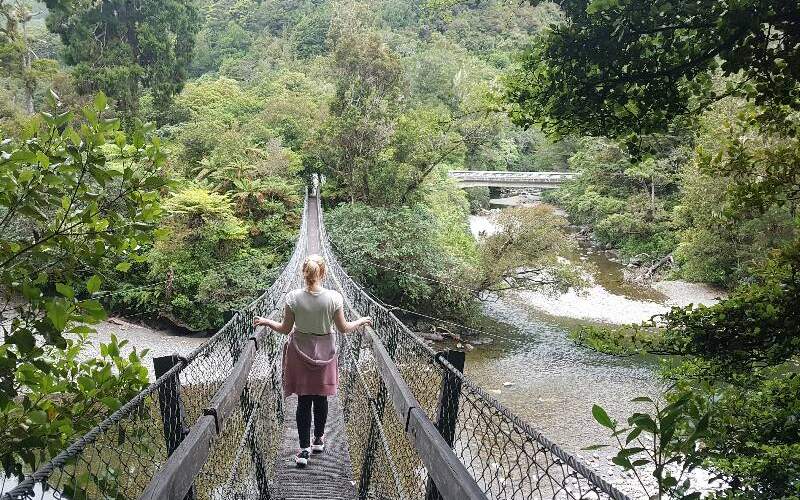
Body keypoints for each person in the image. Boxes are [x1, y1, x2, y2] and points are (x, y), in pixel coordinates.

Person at [254, 254, 371, 468]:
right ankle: (318, 440)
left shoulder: (292, 297)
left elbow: (285, 329)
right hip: (326, 353)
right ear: (323, 273)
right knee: (321, 398)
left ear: (303, 273)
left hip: (300, 352)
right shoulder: (334, 298)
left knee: (304, 400)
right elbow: (344, 328)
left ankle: (303, 450)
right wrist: (362, 320)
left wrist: (266, 321)